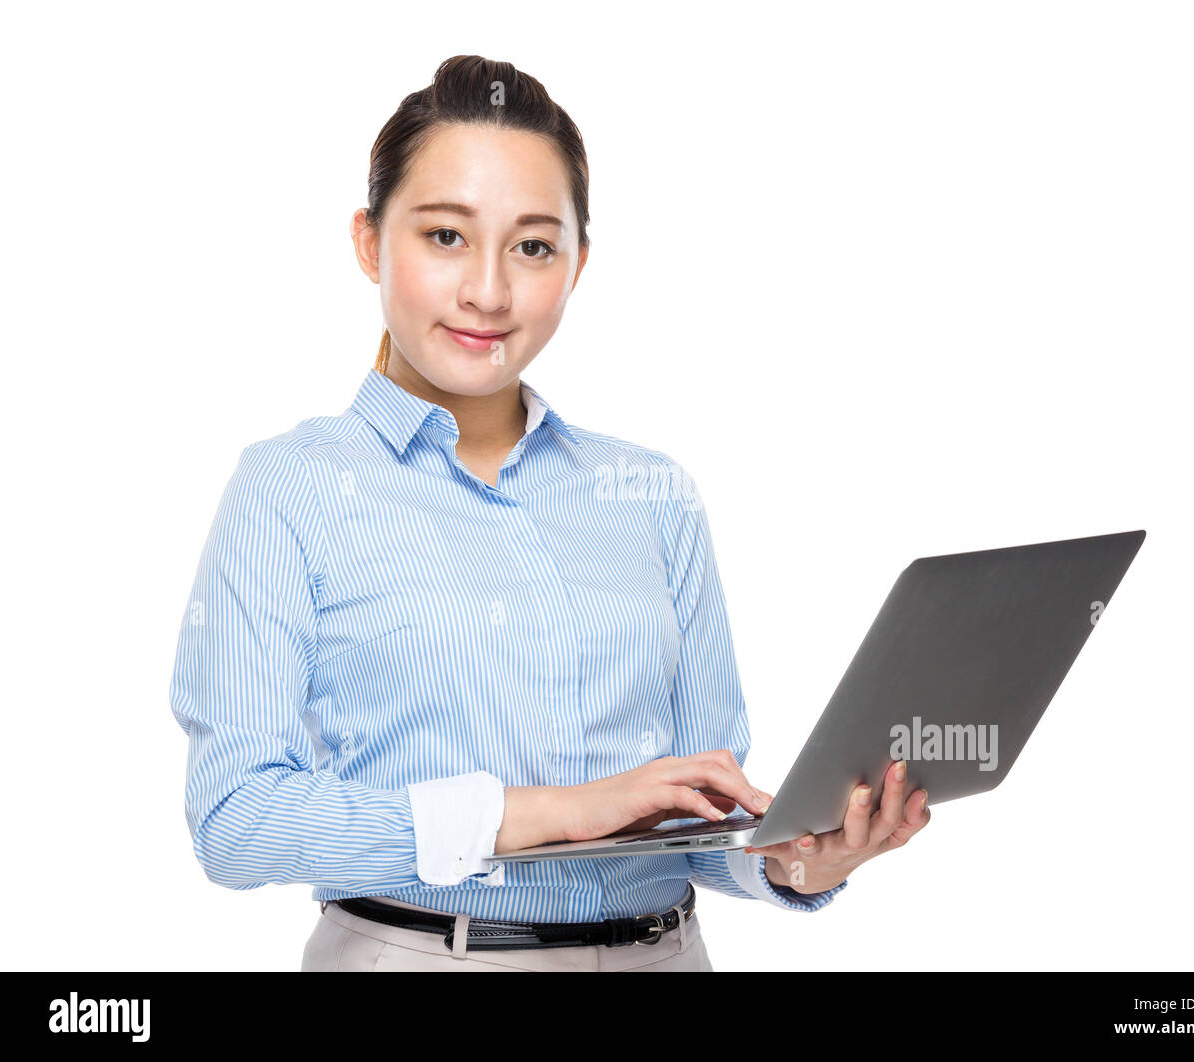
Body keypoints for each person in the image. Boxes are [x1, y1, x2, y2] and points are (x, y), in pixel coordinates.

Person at [169, 54, 931, 973]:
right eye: (445, 236)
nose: (489, 291)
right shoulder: (290, 489)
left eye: (533, 247)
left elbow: (700, 824)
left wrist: (806, 860)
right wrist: (549, 812)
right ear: (370, 243)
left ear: (577, 265)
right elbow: (237, 822)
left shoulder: (652, 494)